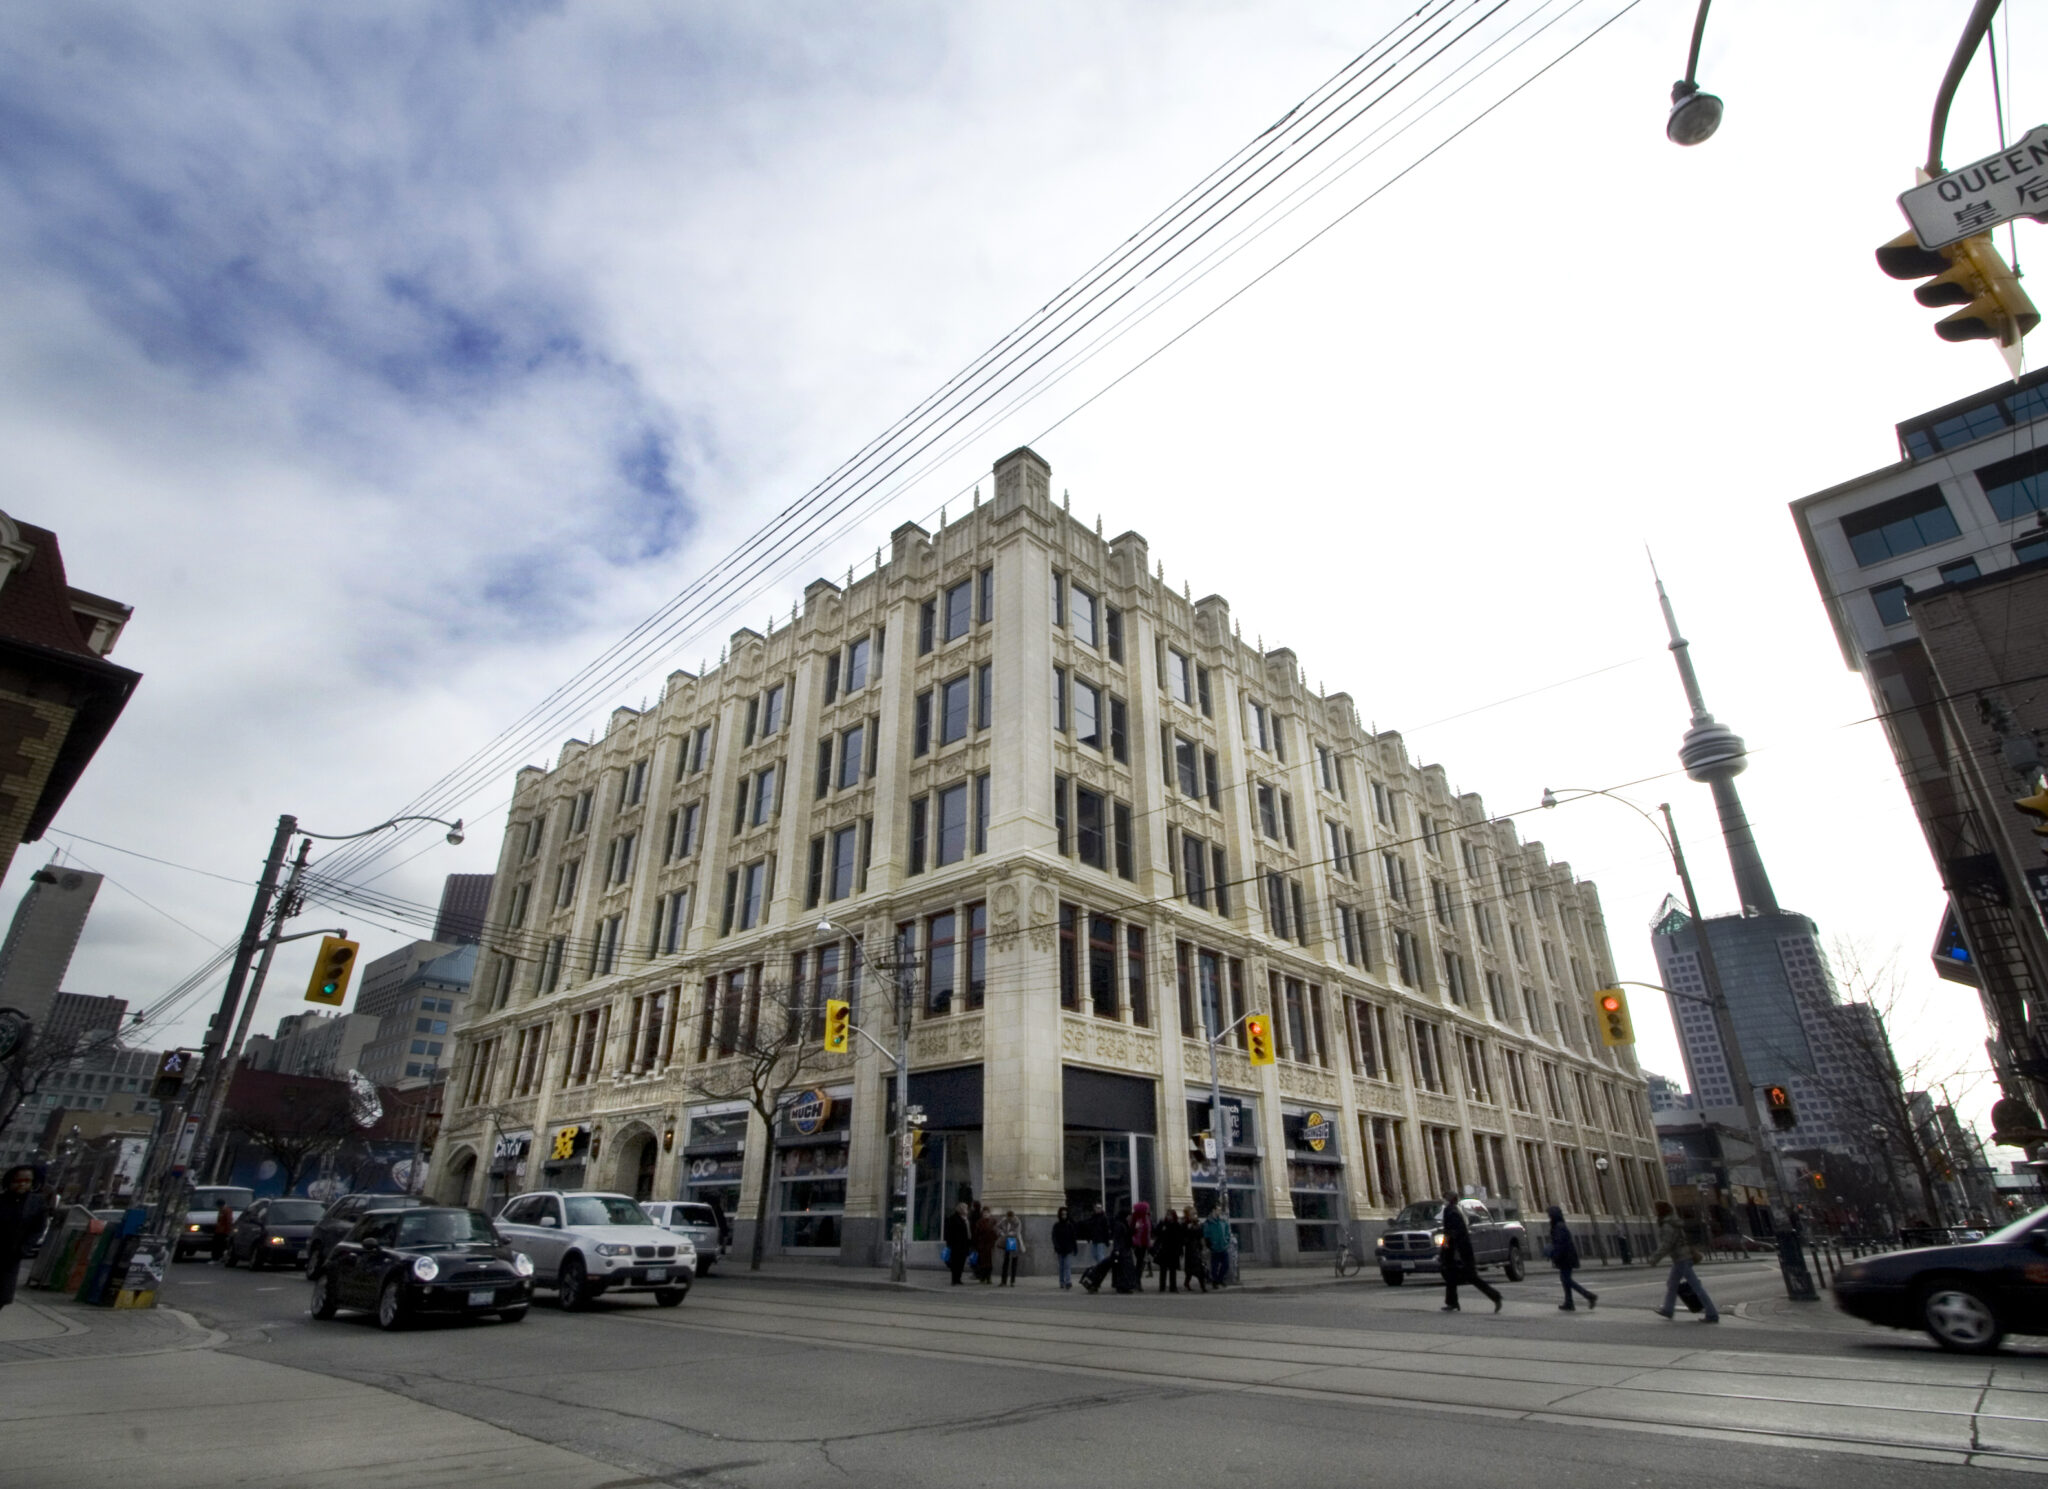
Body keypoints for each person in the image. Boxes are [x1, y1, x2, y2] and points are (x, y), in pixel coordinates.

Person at [1650, 1200, 1718, 1323]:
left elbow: (1667, 1244)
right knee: (1672, 1284)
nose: (1654, 1211)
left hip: (1681, 1258)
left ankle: (1712, 1313)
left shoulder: (1668, 1225)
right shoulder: (1674, 1221)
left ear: (1661, 1211)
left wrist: (1655, 1258)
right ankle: (1668, 1309)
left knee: (1696, 1287)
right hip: (1682, 1257)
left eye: (1656, 1209)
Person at [1438, 1192, 1501, 1313]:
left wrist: (1444, 1249)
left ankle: (1495, 1296)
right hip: (1459, 1249)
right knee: (1450, 1276)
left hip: (1459, 1250)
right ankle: (1452, 1302)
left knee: (1471, 1277)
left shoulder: (1451, 1211)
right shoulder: (1455, 1210)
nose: (1443, 1200)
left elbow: (1450, 1233)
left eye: (1445, 1198)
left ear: (1450, 1200)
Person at [0, 1167, 48, 1312]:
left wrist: (24, 1249)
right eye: (18, 1181)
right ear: (9, 1181)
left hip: (11, 1257)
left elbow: (38, 1229)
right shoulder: (1, 1201)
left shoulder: (36, 1203)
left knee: (1, 1296)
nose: (22, 1184)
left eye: (27, 1181)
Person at [1547, 1204, 1597, 1312]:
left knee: (1566, 1279)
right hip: (1566, 1257)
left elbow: (1560, 1244)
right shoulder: (1559, 1225)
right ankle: (1569, 1302)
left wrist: (1554, 1255)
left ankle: (1589, 1296)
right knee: (1565, 1280)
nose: (1549, 1217)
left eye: (1550, 1215)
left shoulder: (1559, 1227)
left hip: (1566, 1258)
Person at [1109, 1203, 1141, 1294]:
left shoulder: (1123, 1224)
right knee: (1123, 1269)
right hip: (1122, 1250)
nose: (1130, 1218)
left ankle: (1125, 1286)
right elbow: (1118, 1238)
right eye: (1129, 1216)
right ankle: (1122, 1286)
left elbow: (1127, 1235)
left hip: (1125, 1249)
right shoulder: (1120, 1225)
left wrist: (1134, 1229)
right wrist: (1117, 1250)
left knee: (1125, 1269)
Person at [1152, 1206, 1181, 1292]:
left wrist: (1179, 1250)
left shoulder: (1176, 1225)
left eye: (1170, 1215)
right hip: (1164, 1250)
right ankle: (1162, 1286)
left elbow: (1179, 1238)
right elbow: (1156, 1233)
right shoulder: (1163, 1224)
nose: (1169, 1217)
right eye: (1167, 1215)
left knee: (1173, 1270)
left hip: (1173, 1250)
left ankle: (1173, 1286)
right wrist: (1161, 1227)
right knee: (1163, 1269)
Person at [1180, 1206, 1208, 1293]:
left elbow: (1201, 1235)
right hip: (1190, 1249)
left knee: (1199, 1267)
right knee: (1193, 1268)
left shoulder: (1198, 1223)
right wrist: (1189, 1228)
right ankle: (1199, 1286)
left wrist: (1204, 1247)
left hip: (1197, 1248)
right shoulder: (1185, 1224)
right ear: (1188, 1215)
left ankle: (1197, 1285)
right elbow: (1183, 1236)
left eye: (1195, 1213)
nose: (1195, 1215)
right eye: (1192, 1214)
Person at [943, 1201, 972, 1286]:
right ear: (961, 1209)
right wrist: (949, 1243)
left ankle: (959, 1278)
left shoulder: (966, 1219)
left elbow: (968, 1232)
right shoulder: (953, 1218)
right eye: (965, 1208)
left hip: (964, 1244)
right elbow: (949, 1232)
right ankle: (954, 1279)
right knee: (955, 1262)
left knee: (961, 1262)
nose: (967, 1210)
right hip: (956, 1244)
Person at [1202, 1208, 1231, 1287]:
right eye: (1217, 1210)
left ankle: (1220, 1279)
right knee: (1214, 1266)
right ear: (1213, 1211)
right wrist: (1210, 1245)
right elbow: (1206, 1235)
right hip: (1214, 1248)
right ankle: (1215, 1281)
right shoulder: (1208, 1223)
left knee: (1226, 1265)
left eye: (1219, 1210)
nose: (1219, 1211)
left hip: (1223, 1247)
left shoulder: (1222, 1221)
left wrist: (1227, 1241)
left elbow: (1227, 1232)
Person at [1051, 1206, 1078, 1290]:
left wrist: (1075, 1248)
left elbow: (1073, 1237)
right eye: (1062, 1214)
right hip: (1060, 1249)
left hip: (1068, 1248)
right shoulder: (1057, 1225)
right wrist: (1056, 1246)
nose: (1064, 1216)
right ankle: (1062, 1281)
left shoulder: (1069, 1225)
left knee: (1067, 1265)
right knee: (1061, 1266)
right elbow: (1054, 1237)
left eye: (1065, 1214)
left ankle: (1068, 1281)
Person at [997, 1209, 1025, 1286]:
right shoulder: (1004, 1220)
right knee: (1005, 1261)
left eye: (1011, 1218)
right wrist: (1001, 1233)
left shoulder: (1017, 1221)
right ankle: (1003, 1280)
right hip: (1006, 1241)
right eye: (1008, 1218)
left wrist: (1010, 1233)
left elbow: (1017, 1232)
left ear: (1013, 1217)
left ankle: (1012, 1281)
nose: (1009, 1220)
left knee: (1014, 1261)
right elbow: (998, 1227)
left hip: (1014, 1242)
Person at [972, 1204, 998, 1285]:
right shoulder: (979, 1222)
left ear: (989, 1213)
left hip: (990, 1244)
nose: (986, 1214)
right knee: (983, 1262)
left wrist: (994, 1240)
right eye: (984, 1213)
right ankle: (983, 1277)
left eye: (987, 1213)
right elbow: (976, 1233)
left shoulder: (993, 1221)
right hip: (982, 1245)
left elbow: (996, 1232)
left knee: (989, 1262)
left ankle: (988, 1277)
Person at [1130, 1200, 1152, 1282]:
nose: (1148, 1210)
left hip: (1145, 1243)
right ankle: (1136, 1280)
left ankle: (1137, 1279)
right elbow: (1132, 1230)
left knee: (1141, 1262)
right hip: (1137, 1244)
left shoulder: (1147, 1217)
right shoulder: (1136, 1218)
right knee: (1140, 1262)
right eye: (1146, 1209)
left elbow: (1149, 1230)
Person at [211, 1199, 235, 1264]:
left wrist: (228, 1231)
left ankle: (216, 1258)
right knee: (218, 1245)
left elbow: (228, 1221)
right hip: (219, 1231)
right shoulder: (221, 1210)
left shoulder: (227, 1211)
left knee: (218, 1246)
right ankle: (219, 1258)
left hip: (223, 1231)